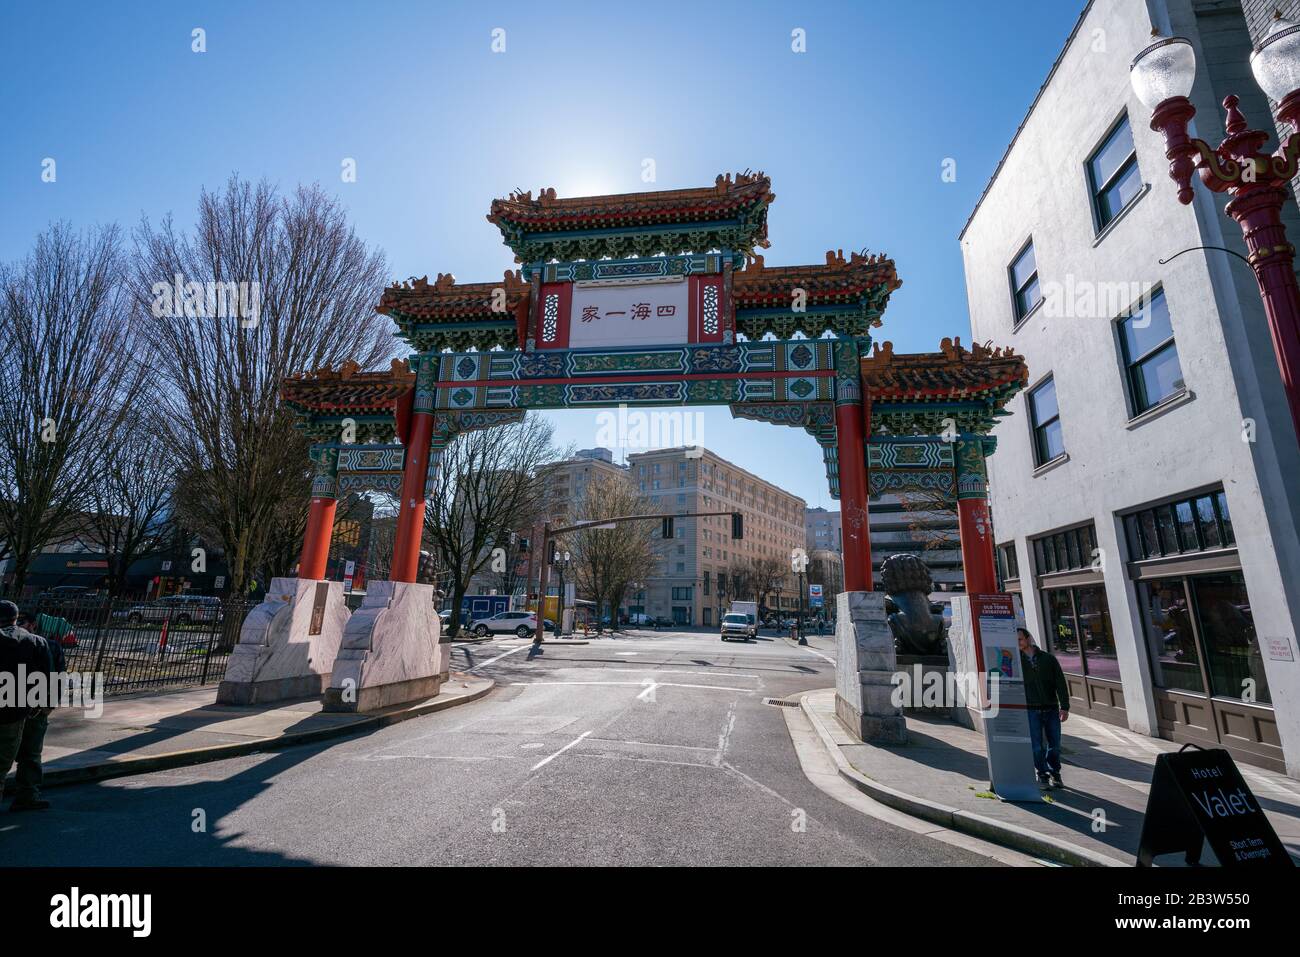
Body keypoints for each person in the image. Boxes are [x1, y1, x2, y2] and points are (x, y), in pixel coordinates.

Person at [0, 601, 54, 811]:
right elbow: (46, 678)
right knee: (19, 757)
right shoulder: (37, 642)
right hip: (16, 710)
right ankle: (27, 795)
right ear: (17, 618)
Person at [9, 610, 64, 811]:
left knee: (30, 753)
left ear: (32, 624)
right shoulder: (46, 645)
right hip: (31, 706)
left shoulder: (47, 645)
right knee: (30, 753)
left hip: (25, 707)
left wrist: (48, 704)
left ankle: (28, 793)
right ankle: (27, 794)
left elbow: (56, 677)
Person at [1018, 626, 1069, 789]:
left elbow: (1060, 683)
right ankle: (1042, 774)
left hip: (1051, 708)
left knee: (1054, 744)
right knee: (1036, 746)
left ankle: (1056, 773)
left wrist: (1065, 706)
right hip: (1030, 709)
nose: (1017, 643)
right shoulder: (1016, 661)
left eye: (1019, 639)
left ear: (1028, 639)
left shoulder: (1048, 659)